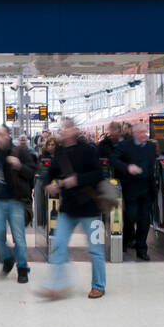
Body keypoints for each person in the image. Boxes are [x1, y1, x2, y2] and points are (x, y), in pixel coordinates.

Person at [41, 118, 106, 300]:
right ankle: (55, 285)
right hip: (68, 208)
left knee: (95, 249)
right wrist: (49, 184)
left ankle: (98, 286)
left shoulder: (88, 150)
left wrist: (77, 179)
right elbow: (50, 174)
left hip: (91, 208)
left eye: (66, 127)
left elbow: (98, 174)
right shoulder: (60, 153)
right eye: (62, 128)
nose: (63, 130)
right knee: (59, 245)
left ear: (75, 130)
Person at [0, 125, 37, 283]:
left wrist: (19, 165)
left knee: (19, 237)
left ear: (7, 135)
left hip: (16, 201)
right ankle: (8, 257)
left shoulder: (20, 152)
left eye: (0, 134)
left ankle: (22, 269)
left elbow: (32, 171)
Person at [113, 121, 159, 261]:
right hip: (130, 188)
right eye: (141, 133)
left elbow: (153, 166)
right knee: (130, 217)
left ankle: (141, 249)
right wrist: (127, 168)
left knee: (144, 221)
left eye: (145, 132)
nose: (144, 135)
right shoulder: (124, 146)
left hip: (146, 189)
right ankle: (126, 239)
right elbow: (113, 159)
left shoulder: (151, 147)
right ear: (134, 134)